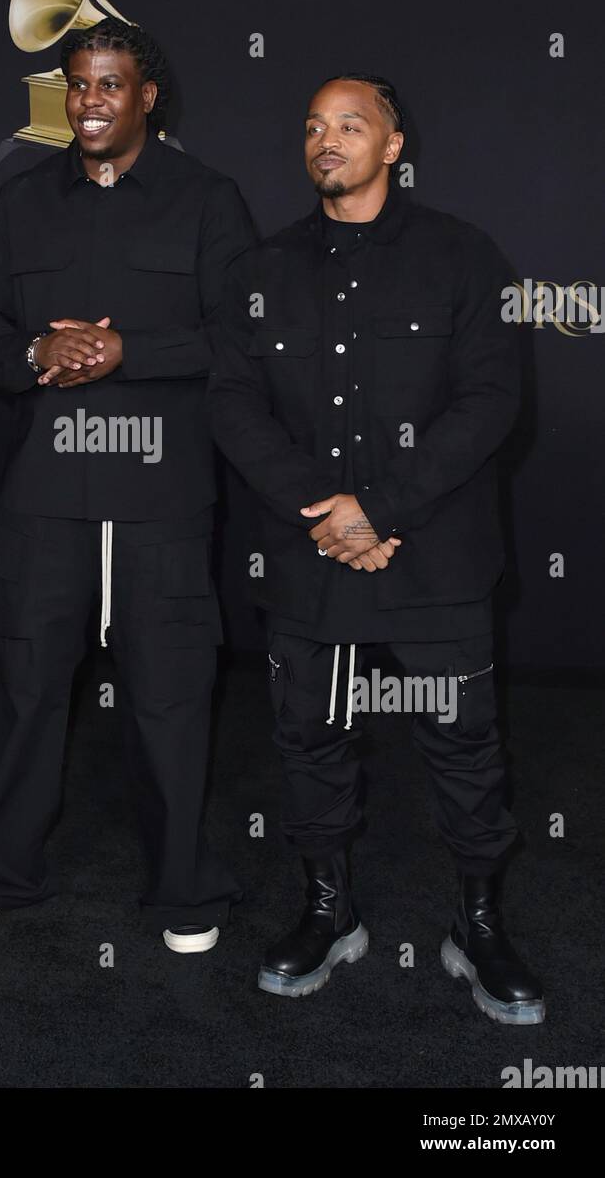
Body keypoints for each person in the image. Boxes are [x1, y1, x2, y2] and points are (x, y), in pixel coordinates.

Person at [207, 73, 544, 1022]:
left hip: (434, 555)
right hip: (306, 552)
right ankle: (328, 910)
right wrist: (324, 510)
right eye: (314, 126)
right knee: (308, 741)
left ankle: (477, 925)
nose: (327, 139)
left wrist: (379, 509)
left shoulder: (463, 257)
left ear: (392, 146)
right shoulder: (259, 271)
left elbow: (487, 403)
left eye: (351, 125)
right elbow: (232, 405)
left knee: (464, 746)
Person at [0, 18, 252, 951]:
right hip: (42, 495)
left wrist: (128, 352)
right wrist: (37, 351)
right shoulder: (20, 200)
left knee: (171, 696)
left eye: (110, 84)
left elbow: (244, 335)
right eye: (78, 83)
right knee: (22, 686)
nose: (90, 101)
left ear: (146, 96)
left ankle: (182, 886)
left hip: (162, 496)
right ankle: (2, 866)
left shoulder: (207, 200)